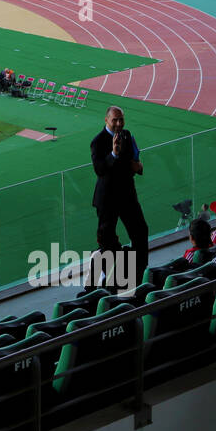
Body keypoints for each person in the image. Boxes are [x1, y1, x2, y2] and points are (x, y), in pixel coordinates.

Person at [88, 106, 149, 292]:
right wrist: (113, 153)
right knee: (107, 240)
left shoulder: (127, 135)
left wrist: (137, 166)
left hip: (127, 195)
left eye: (121, 119)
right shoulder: (97, 142)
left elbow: (132, 161)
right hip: (107, 199)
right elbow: (99, 169)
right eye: (115, 120)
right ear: (106, 120)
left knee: (140, 231)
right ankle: (107, 278)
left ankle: (138, 273)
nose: (119, 123)